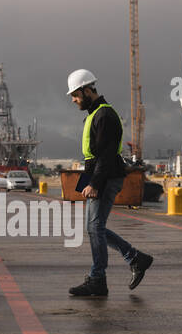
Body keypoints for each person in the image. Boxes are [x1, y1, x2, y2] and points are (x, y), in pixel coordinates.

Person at [65, 69, 154, 297]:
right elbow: (91, 156)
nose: (74, 100)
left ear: (87, 90)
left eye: (75, 95)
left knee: (95, 228)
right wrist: (85, 183)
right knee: (94, 228)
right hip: (98, 176)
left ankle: (98, 279)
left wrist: (94, 183)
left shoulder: (105, 115)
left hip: (105, 178)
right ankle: (135, 259)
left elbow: (104, 155)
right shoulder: (94, 115)